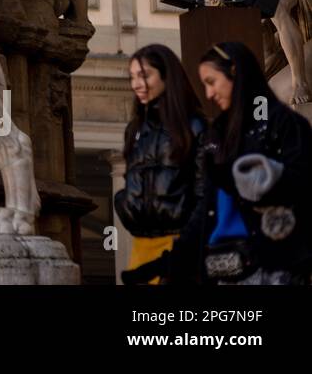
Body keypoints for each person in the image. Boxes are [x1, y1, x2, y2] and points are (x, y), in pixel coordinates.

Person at [172, 42, 312, 285]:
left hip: (274, 266)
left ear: (235, 71)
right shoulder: (216, 134)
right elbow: (205, 206)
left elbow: (303, 185)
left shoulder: (285, 125)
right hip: (224, 267)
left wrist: (245, 180)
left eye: (211, 82)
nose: (209, 94)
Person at [114, 45, 206, 284]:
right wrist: (125, 203)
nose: (136, 84)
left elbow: (204, 192)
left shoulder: (194, 126)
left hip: (178, 247)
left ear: (167, 76)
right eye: (132, 77)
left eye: (144, 75)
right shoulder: (134, 129)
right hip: (141, 246)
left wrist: (188, 241)